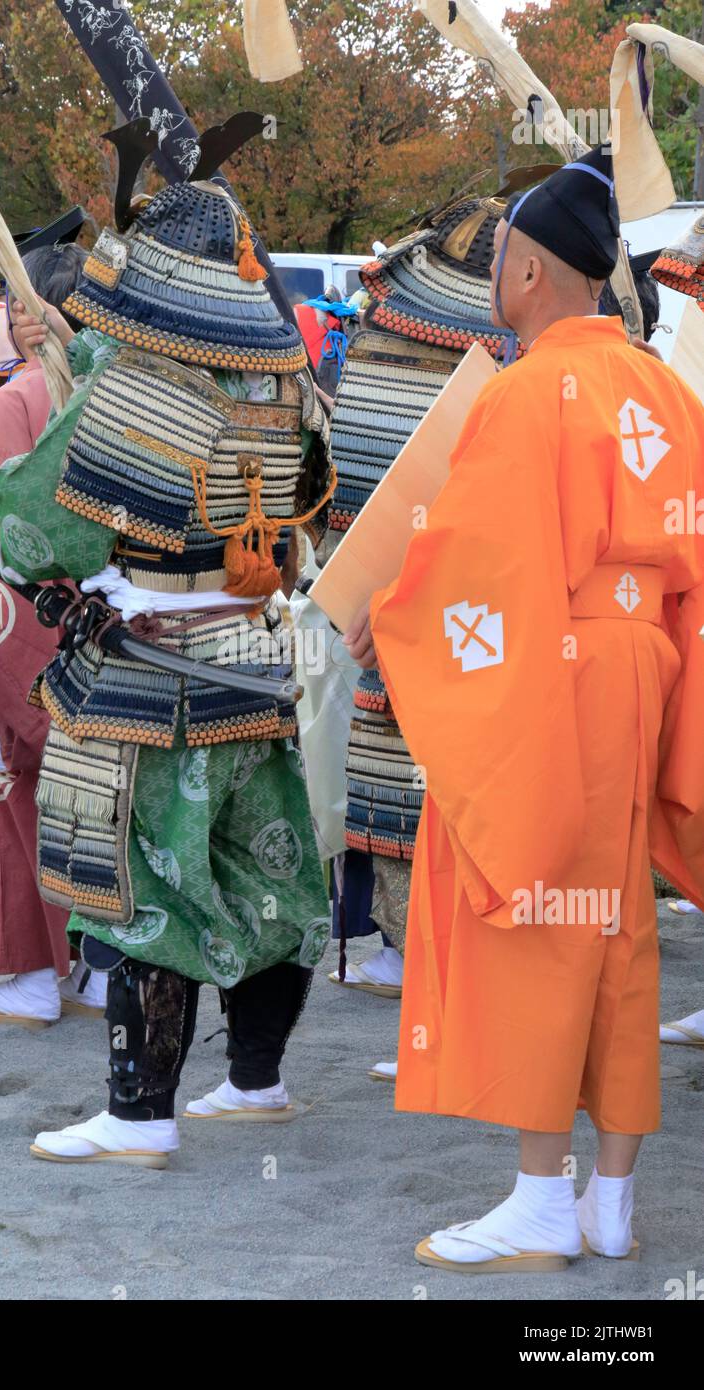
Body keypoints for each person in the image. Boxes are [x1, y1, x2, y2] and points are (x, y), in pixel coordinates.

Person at [345, 148, 704, 1271]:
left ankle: (540, 1194)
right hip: (646, 657)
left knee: (548, 907)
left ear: (529, 275)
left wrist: (387, 613)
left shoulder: (520, 389)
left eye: (501, 256)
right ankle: (608, 1198)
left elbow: (477, 562)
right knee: (618, 923)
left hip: (565, 661)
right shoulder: (659, 384)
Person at [0, 150, 335, 1166]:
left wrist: (35, 480)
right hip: (257, 654)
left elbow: (40, 532)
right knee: (266, 870)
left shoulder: (134, 388)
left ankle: (139, 1115)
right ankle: (256, 1079)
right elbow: (315, 500)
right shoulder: (286, 385)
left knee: (144, 888)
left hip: (154, 669)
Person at [324, 193, 516, 1019]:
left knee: (432, 770)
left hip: (435, 602)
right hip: (428, 604)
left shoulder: (490, 378)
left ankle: (436, 960)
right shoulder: (508, 371)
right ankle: (416, 950)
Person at [0, 243, 109, 1026]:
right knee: (108, 808)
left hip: (27, 635)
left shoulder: (15, 405)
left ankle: (30, 976)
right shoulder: (121, 396)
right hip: (116, 635)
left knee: (7, 791)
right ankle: (102, 972)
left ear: (30, 316)